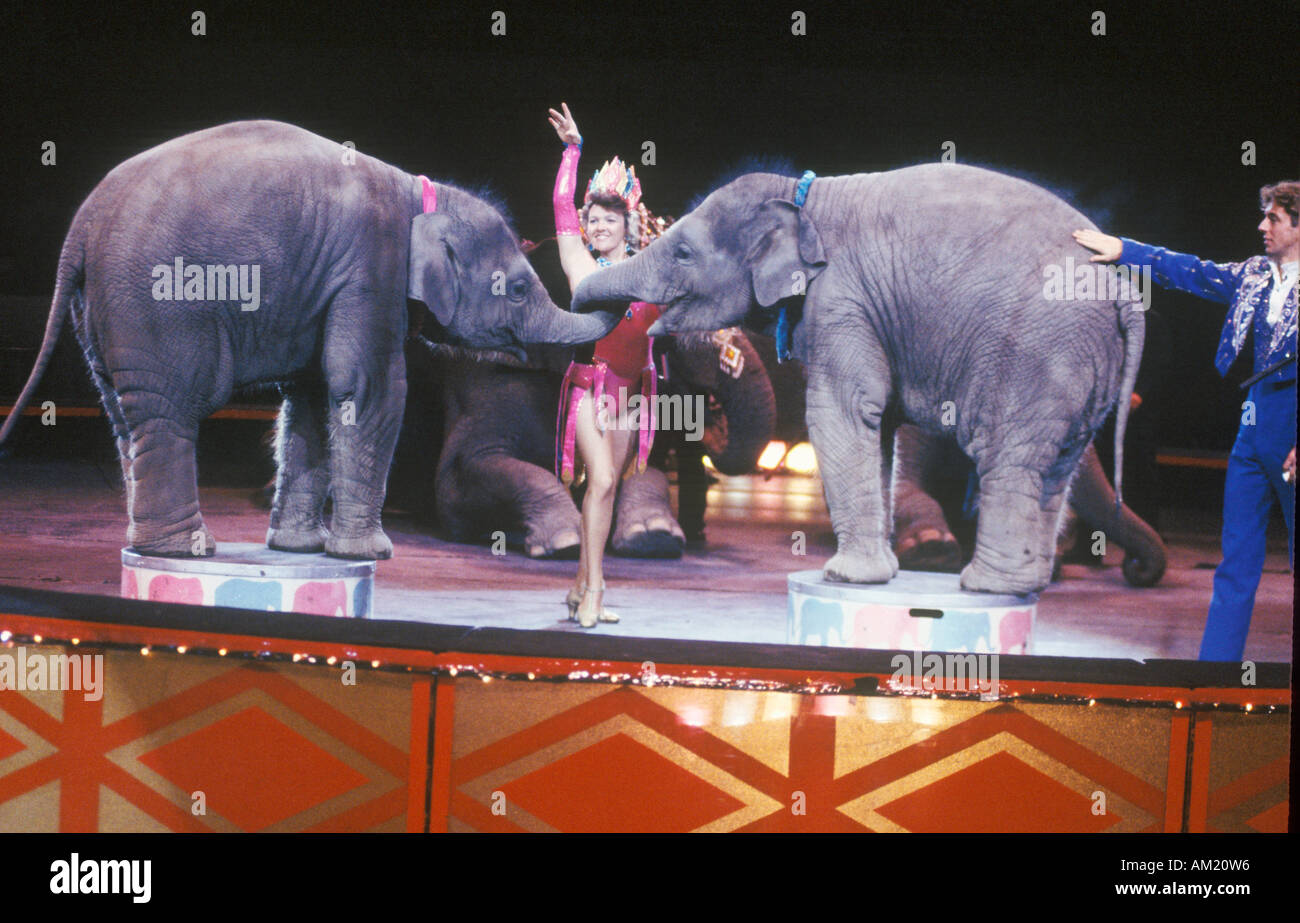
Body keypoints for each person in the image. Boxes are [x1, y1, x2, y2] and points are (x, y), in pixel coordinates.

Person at [1073, 181, 1298, 661]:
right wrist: (1123, 250)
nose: (1262, 226)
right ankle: (1215, 670)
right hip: (1254, 423)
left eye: (1274, 219)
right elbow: (1191, 272)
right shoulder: (1257, 274)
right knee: (1236, 559)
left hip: (1293, 424)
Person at [548, 102, 664, 628]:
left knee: (611, 487)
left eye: (606, 219)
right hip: (589, 392)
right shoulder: (580, 269)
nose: (594, 225)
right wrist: (573, 151)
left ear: (627, 224)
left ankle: (577, 588)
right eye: (591, 219)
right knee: (598, 483)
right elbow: (560, 207)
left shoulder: (648, 274)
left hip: (631, 395)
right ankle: (594, 589)